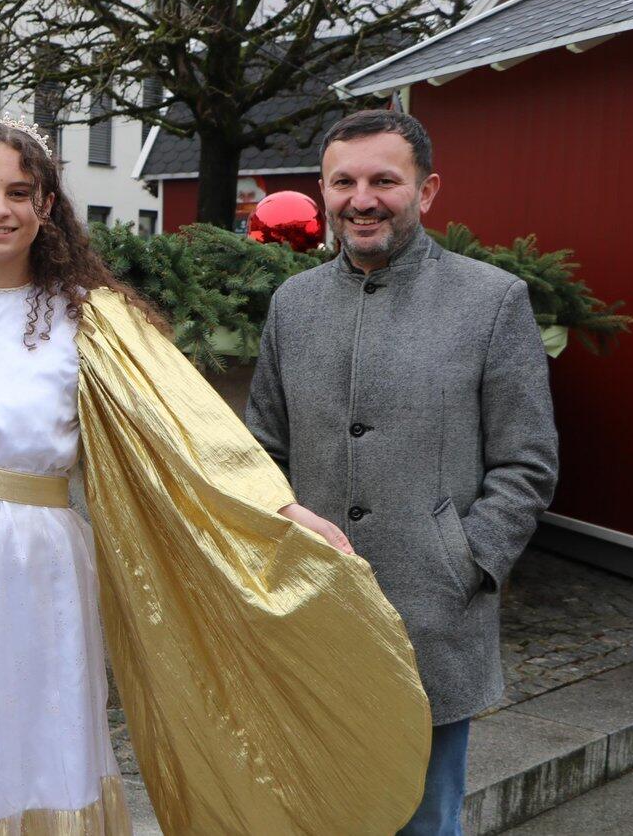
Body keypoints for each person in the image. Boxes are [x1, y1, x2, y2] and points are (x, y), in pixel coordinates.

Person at [0, 118, 433, 834]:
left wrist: (278, 508)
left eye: (19, 192)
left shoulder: (94, 321)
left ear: (47, 207)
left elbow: (188, 431)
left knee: (23, 739)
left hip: (30, 564)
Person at [246, 109, 559, 836]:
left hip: (433, 616)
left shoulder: (491, 301)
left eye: (384, 181)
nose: (362, 200)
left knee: (423, 821)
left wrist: (467, 562)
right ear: (324, 192)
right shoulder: (293, 304)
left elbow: (527, 461)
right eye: (343, 182)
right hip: (313, 614)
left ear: (427, 189)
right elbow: (263, 450)